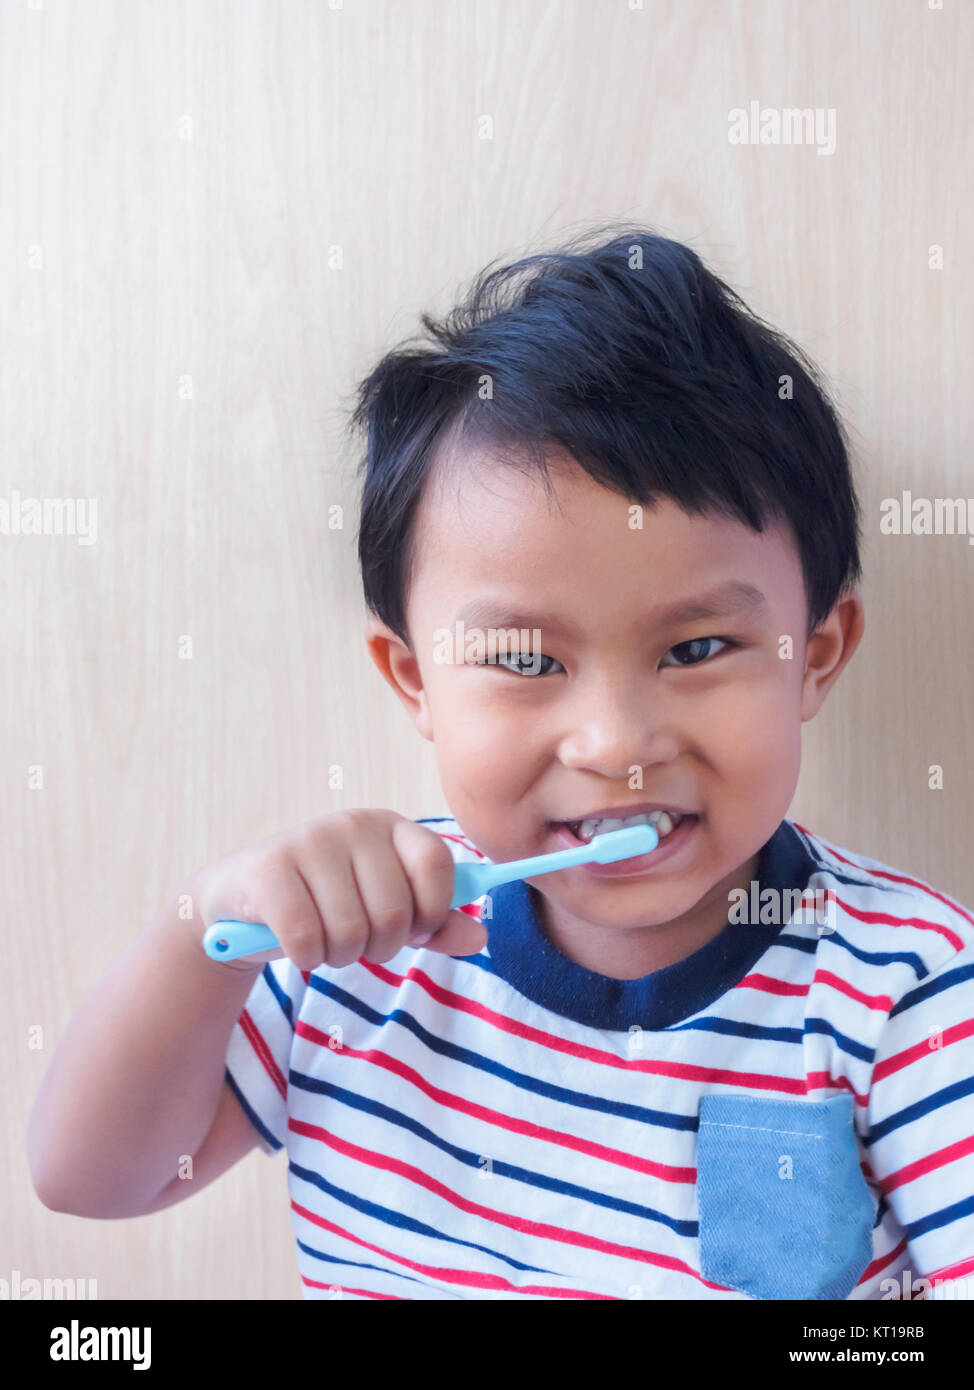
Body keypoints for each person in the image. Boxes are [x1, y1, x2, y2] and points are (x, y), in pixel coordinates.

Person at [28, 225, 974, 1301]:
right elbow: (88, 1179)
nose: (615, 742)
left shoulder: (908, 990)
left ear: (814, 656)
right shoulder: (349, 941)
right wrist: (208, 922)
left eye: (695, 649)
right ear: (414, 683)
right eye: (526, 659)